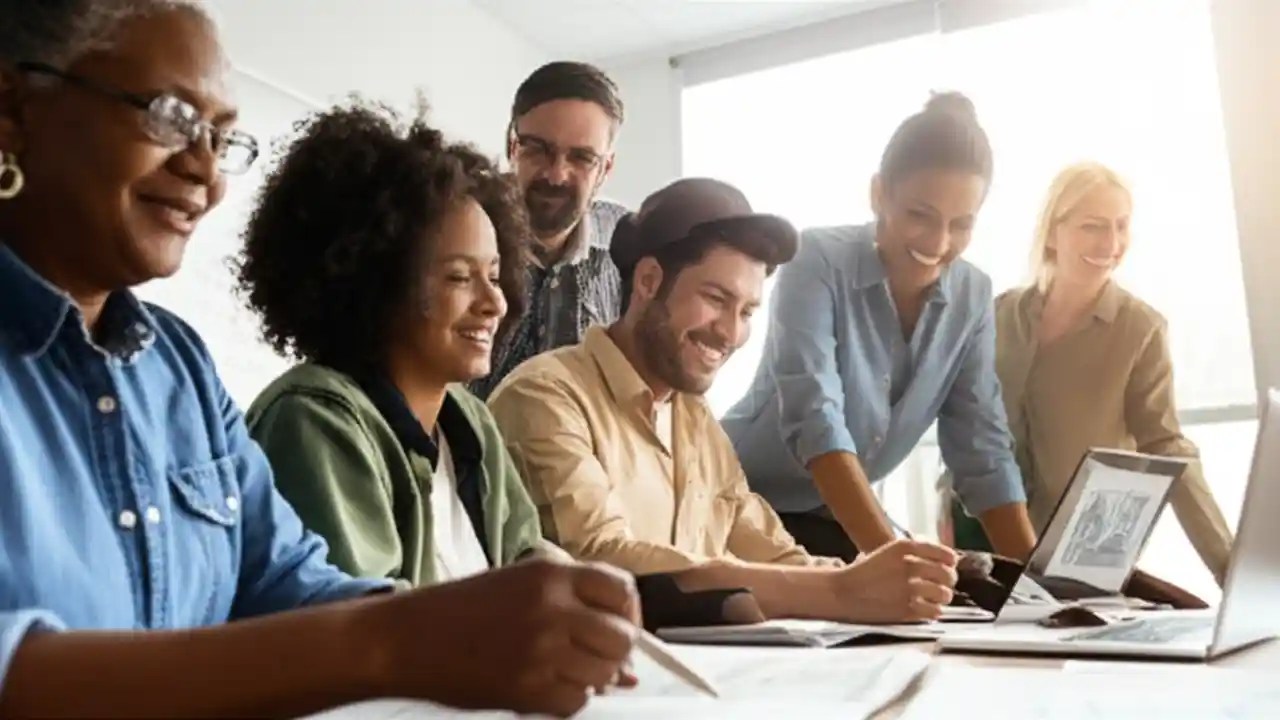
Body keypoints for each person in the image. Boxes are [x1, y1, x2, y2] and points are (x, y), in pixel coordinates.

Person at [0, 3, 637, 717]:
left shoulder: (176, 367)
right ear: (13, 111)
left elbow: (289, 582)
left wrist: (477, 623)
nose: (205, 170)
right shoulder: (314, 411)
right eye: (169, 116)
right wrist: (398, 639)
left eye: (221, 137)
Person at [490, 178, 960, 625]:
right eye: (716, 299)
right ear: (649, 280)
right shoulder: (545, 397)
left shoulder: (694, 420)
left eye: (747, 311)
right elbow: (603, 560)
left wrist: (888, 584)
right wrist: (841, 592)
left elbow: (776, 555)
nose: (731, 332)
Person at [721, 93, 1038, 563]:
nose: (939, 242)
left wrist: (1040, 583)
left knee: (960, 587)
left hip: (834, 514)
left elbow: (982, 450)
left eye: (961, 224)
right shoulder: (816, 260)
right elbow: (816, 416)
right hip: (741, 499)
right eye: (919, 215)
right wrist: (892, 566)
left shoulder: (973, 296)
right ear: (878, 194)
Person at [237, 101, 544, 586]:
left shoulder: (469, 421)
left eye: (494, 275)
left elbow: (532, 562)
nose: (495, 303)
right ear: (378, 281)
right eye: (459, 277)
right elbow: (365, 617)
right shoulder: (314, 419)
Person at [945, 162, 1233, 587]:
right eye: (1093, 226)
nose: (1111, 243)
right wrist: (945, 509)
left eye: (1121, 226)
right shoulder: (999, 315)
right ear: (1052, 232)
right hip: (982, 543)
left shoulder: (1140, 330)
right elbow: (967, 423)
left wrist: (1230, 568)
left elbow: (1167, 446)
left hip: (1080, 553)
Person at [470, 61, 630, 399]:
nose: (556, 175)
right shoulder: (459, 230)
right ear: (512, 147)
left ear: (605, 169)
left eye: (582, 157)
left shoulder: (629, 242)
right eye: (538, 149)